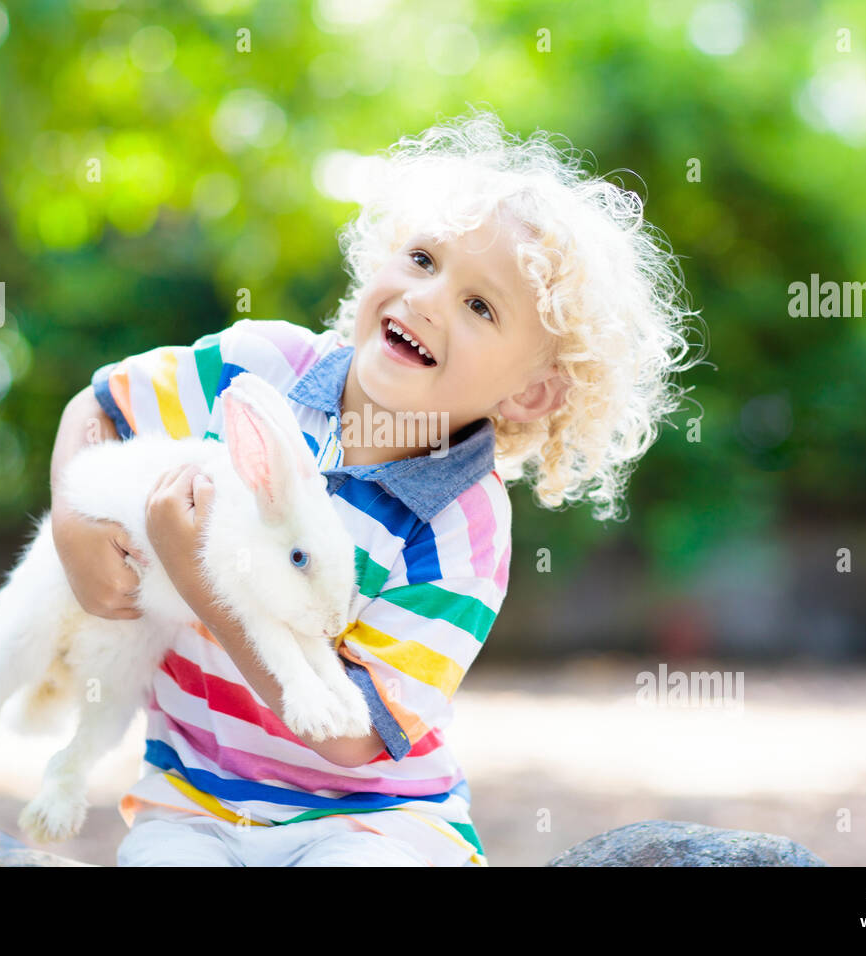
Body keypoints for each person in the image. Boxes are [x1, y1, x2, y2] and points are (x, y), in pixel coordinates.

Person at [48, 107, 701, 866]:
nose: (426, 299)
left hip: (375, 820)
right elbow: (99, 407)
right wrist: (71, 523)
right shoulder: (255, 365)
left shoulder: (466, 525)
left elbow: (358, 734)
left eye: (480, 305)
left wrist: (198, 579)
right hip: (192, 800)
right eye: (423, 259)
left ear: (529, 395)